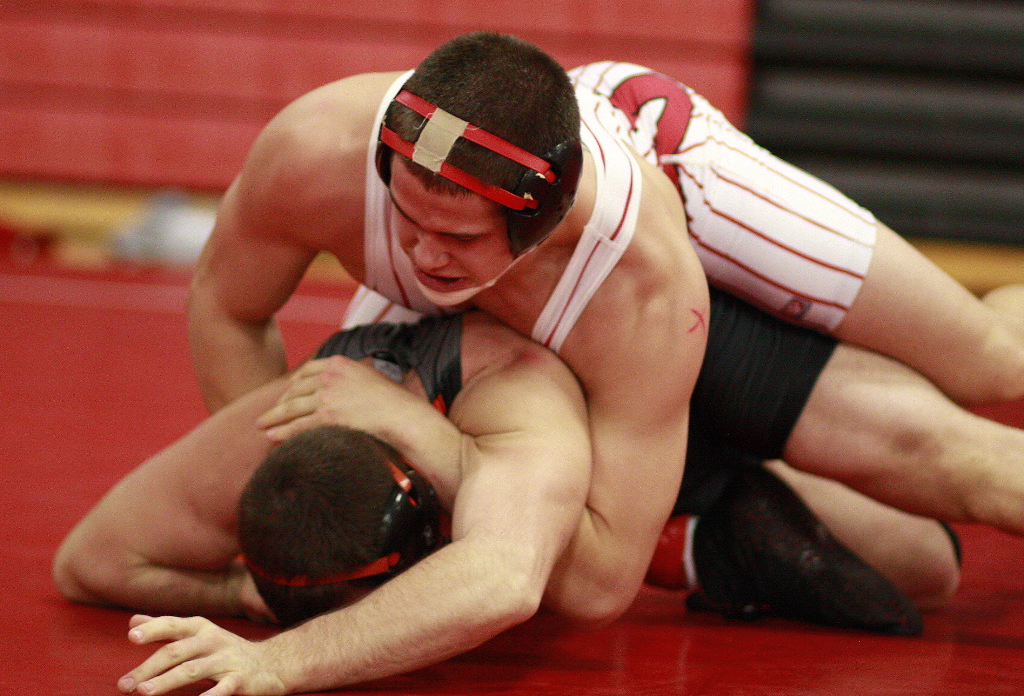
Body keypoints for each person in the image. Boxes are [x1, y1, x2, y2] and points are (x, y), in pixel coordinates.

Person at [185, 31, 1024, 629]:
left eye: (459, 238)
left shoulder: (643, 286)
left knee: (994, 366)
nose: (423, 256)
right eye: (406, 219)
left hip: (686, 189)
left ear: (539, 224)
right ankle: (707, 514)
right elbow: (229, 306)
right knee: (926, 566)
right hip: (554, 317)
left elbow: (596, 590)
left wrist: (420, 434)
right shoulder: (315, 155)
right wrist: (296, 483)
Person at [55, 299, 960, 696]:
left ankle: (713, 492)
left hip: (680, 369)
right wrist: (233, 597)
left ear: (425, 529)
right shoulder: (283, 421)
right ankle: (695, 535)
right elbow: (90, 560)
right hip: (544, 471)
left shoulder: (513, 392)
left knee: (931, 559)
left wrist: (279, 661)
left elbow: (516, 583)